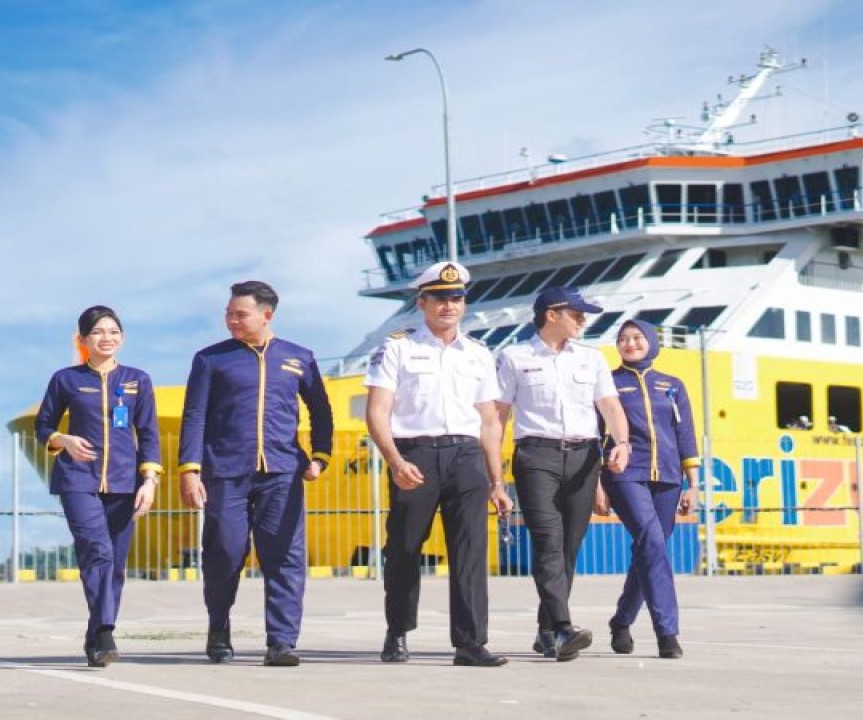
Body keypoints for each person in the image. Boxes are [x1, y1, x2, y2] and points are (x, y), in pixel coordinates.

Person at [364, 261, 514, 668]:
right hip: (415, 454)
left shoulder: (480, 354)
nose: (449, 305)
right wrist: (394, 460)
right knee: (404, 548)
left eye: (456, 298)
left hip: (466, 458)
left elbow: (488, 422)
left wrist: (497, 482)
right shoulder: (398, 347)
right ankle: (397, 632)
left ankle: (470, 642)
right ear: (423, 301)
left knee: (470, 551)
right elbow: (377, 411)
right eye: (440, 298)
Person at [178, 281, 333, 667]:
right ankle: (219, 628)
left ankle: (281, 642)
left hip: (282, 472)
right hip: (225, 472)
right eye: (228, 313)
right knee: (225, 553)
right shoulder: (211, 359)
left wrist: (320, 458)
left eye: (240, 314)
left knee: (284, 557)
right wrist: (190, 469)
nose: (231, 320)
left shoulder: (299, 357)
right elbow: (194, 415)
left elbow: (321, 411)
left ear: (267, 314)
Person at [495, 286, 631, 661]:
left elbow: (610, 405)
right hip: (536, 456)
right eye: (576, 313)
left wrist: (622, 443)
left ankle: (545, 632)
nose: (583, 320)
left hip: (585, 457)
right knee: (548, 543)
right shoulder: (513, 357)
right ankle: (562, 628)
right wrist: (493, 473)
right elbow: (498, 416)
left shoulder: (591, 358)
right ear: (551, 315)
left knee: (569, 547)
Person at [35, 305, 162, 667]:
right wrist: (64, 440)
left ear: (122, 338)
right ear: (83, 340)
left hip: (125, 483)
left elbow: (149, 434)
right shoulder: (66, 379)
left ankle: (96, 640)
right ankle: (106, 631)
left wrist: (149, 480)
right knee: (97, 551)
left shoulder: (138, 379)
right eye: (98, 332)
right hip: (77, 480)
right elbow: (43, 426)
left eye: (113, 332)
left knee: (116, 565)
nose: (106, 338)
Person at [599, 319, 700, 660]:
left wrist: (693, 484)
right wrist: (599, 483)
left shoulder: (672, 385)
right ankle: (667, 633)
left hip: (669, 477)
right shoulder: (609, 383)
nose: (630, 343)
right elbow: (597, 433)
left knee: (649, 551)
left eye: (637, 337)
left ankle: (622, 620)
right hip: (625, 473)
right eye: (623, 338)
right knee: (652, 541)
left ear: (652, 342)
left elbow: (685, 435)